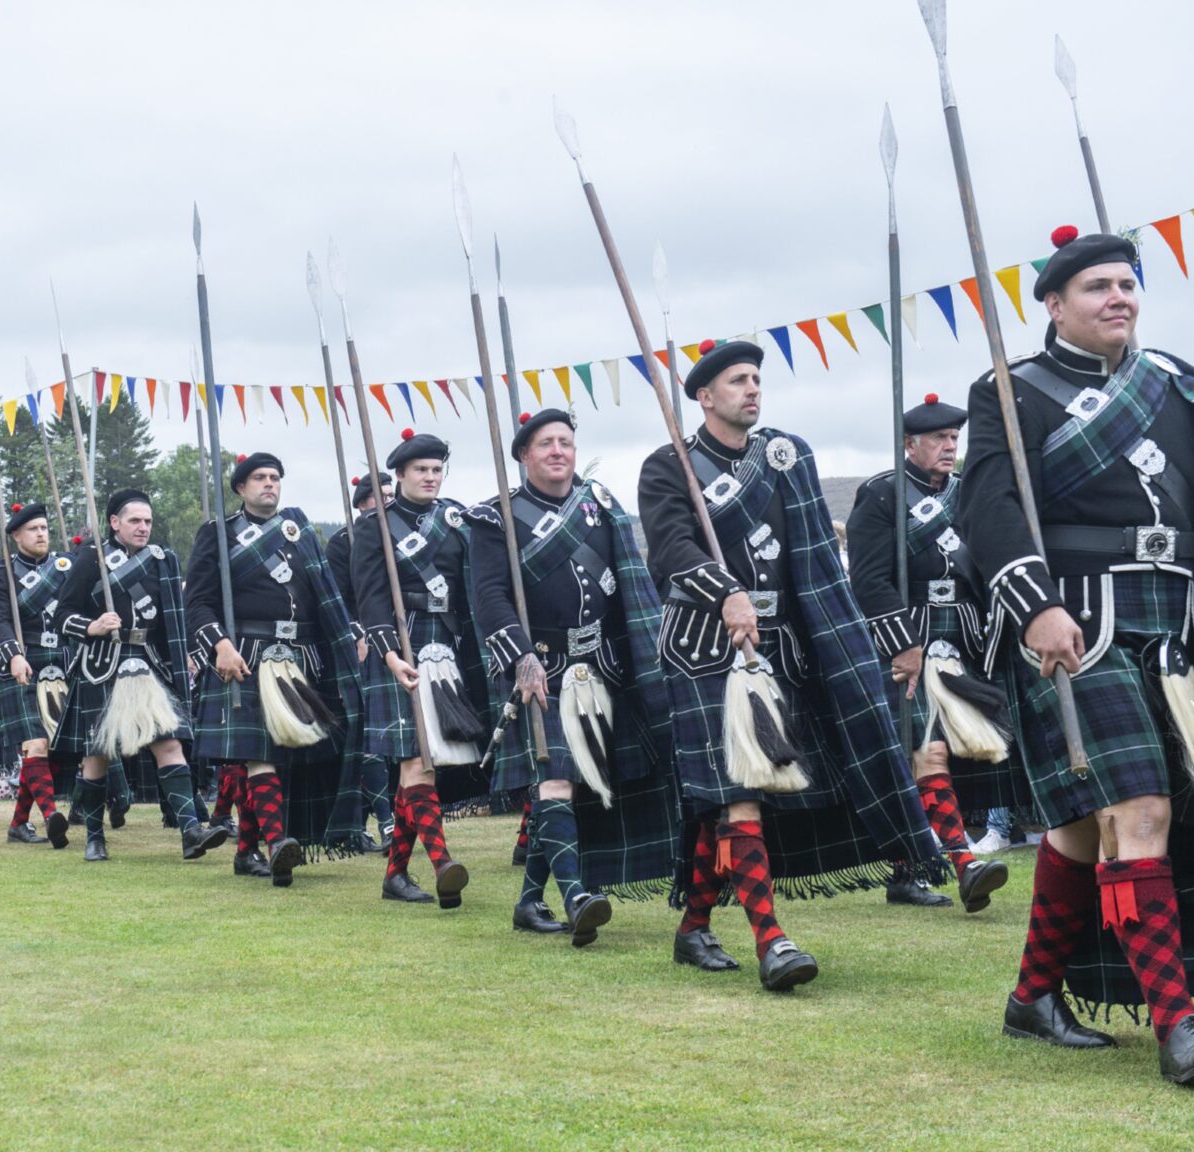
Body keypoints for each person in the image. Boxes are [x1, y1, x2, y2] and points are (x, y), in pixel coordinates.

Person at [959, 226, 1194, 1084]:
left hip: (1177, 620)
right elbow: (988, 509)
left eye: (1128, 284)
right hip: (1078, 623)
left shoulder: (1182, 389)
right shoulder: (1012, 392)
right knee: (1140, 810)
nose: (1119, 298)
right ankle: (1181, 1029)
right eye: (1098, 286)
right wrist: (1034, 605)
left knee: (1077, 827)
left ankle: (1032, 997)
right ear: (1053, 304)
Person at [637, 339, 948, 991]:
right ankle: (771, 941)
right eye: (737, 381)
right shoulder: (671, 467)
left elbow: (813, 562)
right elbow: (669, 548)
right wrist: (724, 590)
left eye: (756, 378)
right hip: (703, 648)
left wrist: (848, 647)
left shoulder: (786, 456)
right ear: (704, 397)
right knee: (738, 795)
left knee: (724, 803)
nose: (752, 389)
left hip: (783, 647)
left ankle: (694, 925)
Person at [471, 409, 683, 945]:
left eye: (566, 442)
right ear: (524, 454)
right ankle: (576, 896)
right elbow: (490, 596)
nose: (559, 451)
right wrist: (520, 657)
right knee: (556, 778)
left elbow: (632, 587)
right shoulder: (496, 517)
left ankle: (527, 901)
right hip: (541, 667)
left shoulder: (600, 505)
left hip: (602, 668)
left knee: (577, 786)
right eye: (546, 444)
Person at [846, 394, 1018, 912]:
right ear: (909, 444)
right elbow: (869, 579)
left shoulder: (969, 494)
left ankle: (904, 874)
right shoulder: (881, 496)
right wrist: (903, 646)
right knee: (926, 751)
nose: (950, 447)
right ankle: (965, 864)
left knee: (946, 758)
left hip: (964, 637)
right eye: (939, 439)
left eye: (954, 438)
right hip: (912, 636)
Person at [185, 452, 364, 886]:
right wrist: (219, 645)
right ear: (241, 488)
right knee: (259, 754)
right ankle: (279, 841)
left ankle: (247, 851)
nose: (269, 484)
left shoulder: (298, 531)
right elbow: (198, 602)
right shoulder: (218, 535)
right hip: (244, 653)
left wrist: (350, 634)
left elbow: (326, 595)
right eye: (260, 478)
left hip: (299, 654)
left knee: (279, 757)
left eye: (275, 478)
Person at [351, 432, 485, 909]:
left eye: (436, 469)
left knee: (423, 765)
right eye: (421, 470)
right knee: (417, 760)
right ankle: (444, 863)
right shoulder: (375, 527)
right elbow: (368, 596)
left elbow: (474, 586)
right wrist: (388, 652)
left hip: (447, 643)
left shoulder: (457, 520)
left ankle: (395, 875)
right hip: (401, 641)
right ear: (400, 476)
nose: (430, 477)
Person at [54, 489, 223, 862]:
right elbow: (61, 614)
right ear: (114, 523)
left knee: (169, 743)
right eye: (135, 520)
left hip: (148, 662)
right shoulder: (91, 559)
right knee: (98, 753)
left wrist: (187, 659)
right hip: (103, 664)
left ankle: (190, 831)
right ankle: (94, 838)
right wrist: (93, 625)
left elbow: (173, 622)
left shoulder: (163, 561)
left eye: (147, 521)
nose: (143, 527)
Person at [0, 502, 76, 848]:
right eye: (33, 529)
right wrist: (13, 654)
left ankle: (18, 823)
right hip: (23, 660)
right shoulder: (1, 573)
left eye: (44, 527)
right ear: (16, 536)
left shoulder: (65, 565)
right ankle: (53, 815)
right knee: (35, 743)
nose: (41, 534)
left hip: (63, 660)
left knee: (48, 747)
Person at [322, 469, 394, 855]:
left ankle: (380, 819)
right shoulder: (342, 544)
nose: (387, 501)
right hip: (361, 648)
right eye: (380, 496)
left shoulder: (400, 533)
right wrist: (356, 632)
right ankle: (386, 823)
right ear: (363, 502)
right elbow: (336, 599)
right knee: (369, 738)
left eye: (390, 493)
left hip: (401, 645)